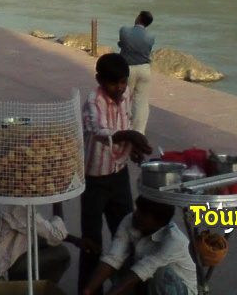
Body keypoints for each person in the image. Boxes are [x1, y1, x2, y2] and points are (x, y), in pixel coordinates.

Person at [79, 53, 153, 292]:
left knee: (128, 235)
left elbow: (125, 125)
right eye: (114, 83)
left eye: (123, 82)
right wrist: (129, 136)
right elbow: (99, 131)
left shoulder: (126, 96)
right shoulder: (94, 100)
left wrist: (132, 148)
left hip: (119, 175)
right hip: (94, 180)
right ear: (100, 79)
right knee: (92, 242)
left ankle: (126, 288)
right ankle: (90, 290)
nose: (120, 88)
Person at [0, 201, 92, 292]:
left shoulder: (0, 196)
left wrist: (75, 240)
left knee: (45, 241)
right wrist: (58, 200)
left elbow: (41, 230)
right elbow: (56, 235)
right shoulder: (15, 207)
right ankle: (35, 289)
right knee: (61, 254)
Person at [80, 197, 196, 295]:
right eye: (138, 210)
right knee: (120, 263)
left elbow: (143, 270)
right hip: (147, 282)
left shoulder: (174, 240)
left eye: (143, 214)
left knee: (159, 273)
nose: (136, 215)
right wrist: (87, 291)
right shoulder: (130, 220)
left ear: (159, 223)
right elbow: (112, 258)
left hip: (180, 289)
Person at [118, 11, 156, 134]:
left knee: (124, 98)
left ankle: (122, 127)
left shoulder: (124, 30)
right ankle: (139, 132)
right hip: (144, 69)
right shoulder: (150, 37)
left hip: (128, 68)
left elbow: (122, 43)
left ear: (139, 18)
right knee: (142, 102)